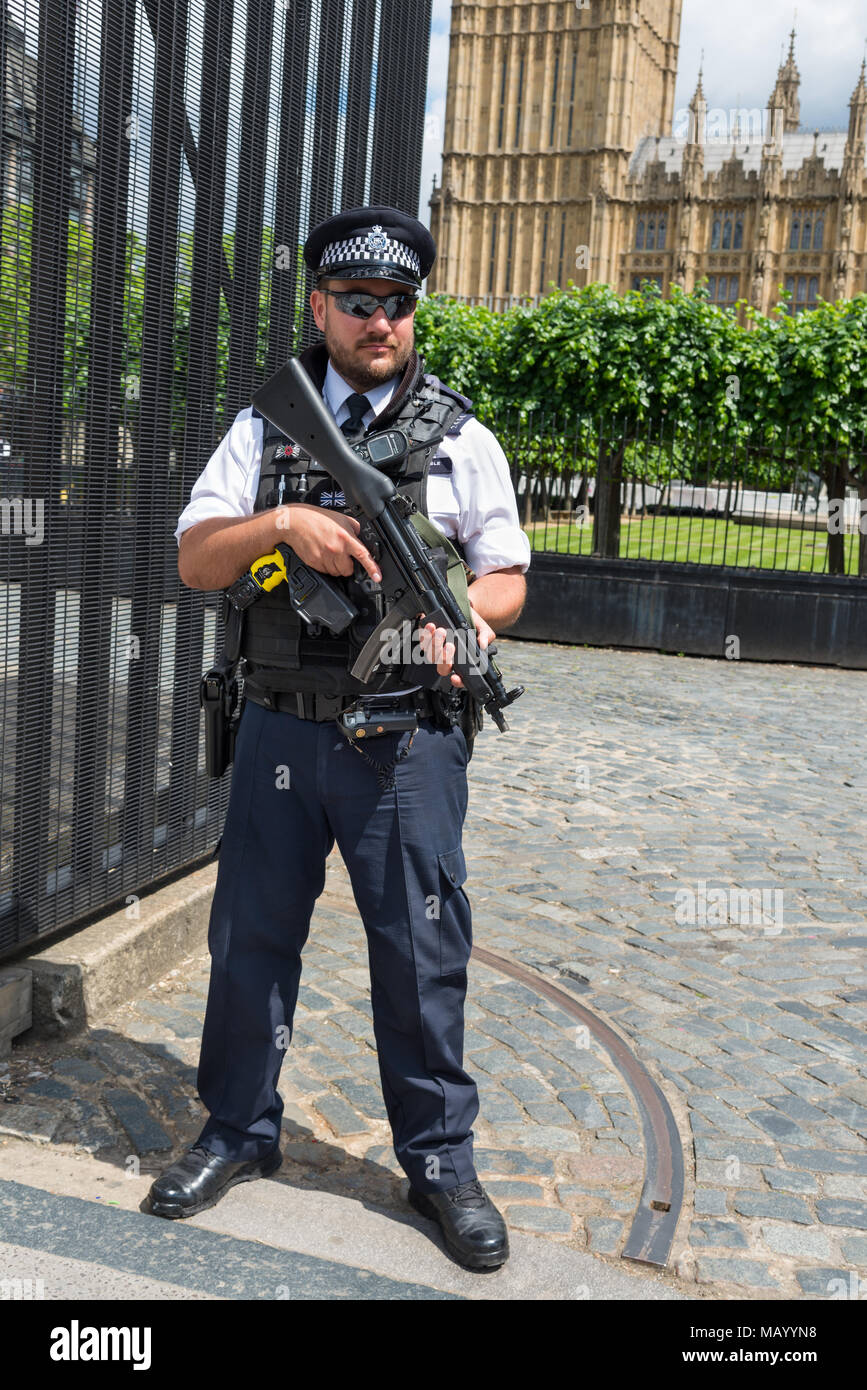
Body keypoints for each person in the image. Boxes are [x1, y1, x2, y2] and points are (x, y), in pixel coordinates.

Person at [146, 206, 530, 1271]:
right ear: (319, 305)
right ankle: (236, 1128)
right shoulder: (263, 430)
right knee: (251, 942)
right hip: (277, 729)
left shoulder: (463, 437)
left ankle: (441, 1161)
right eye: (358, 302)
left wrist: (475, 623)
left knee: (419, 950)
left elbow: (506, 569)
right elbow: (194, 559)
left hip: (407, 741)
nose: (379, 321)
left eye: (398, 304)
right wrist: (281, 526)